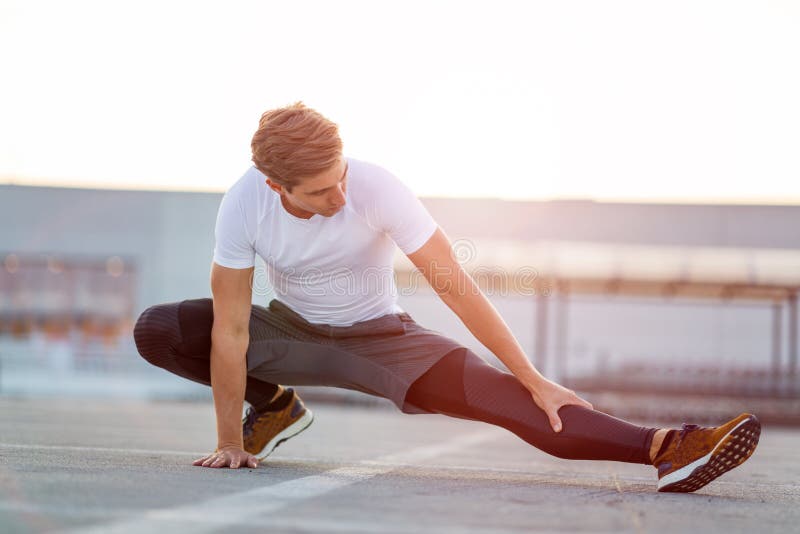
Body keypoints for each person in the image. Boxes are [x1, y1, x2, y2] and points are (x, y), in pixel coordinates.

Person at [133, 102, 760, 493]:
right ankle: (274, 410)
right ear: (276, 186)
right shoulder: (243, 204)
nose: (340, 199)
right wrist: (229, 443)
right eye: (322, 192)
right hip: (291, 333)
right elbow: (234, 331)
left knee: (514, 402)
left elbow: (455, 287)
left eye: (342, 177)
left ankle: (670, 449)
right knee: (161, 328)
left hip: (384, 341)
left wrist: (531, 374)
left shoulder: (377, 186)